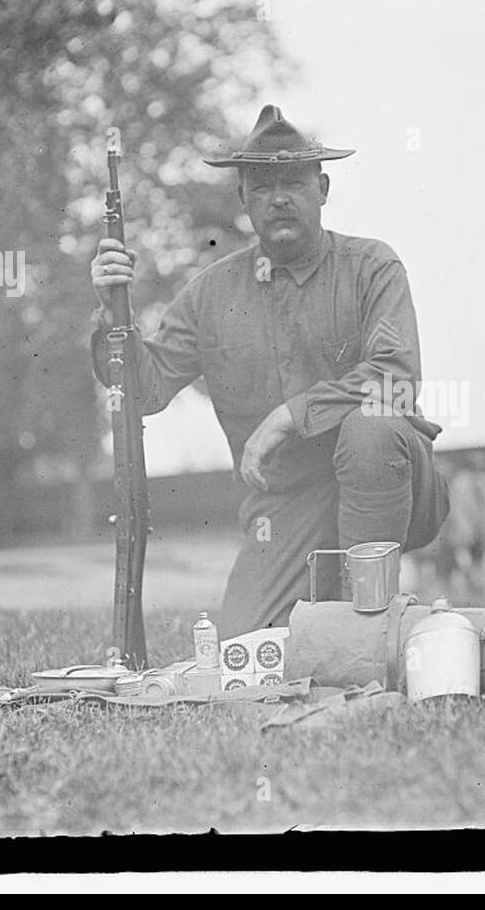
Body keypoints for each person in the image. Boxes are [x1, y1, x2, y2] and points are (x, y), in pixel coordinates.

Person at [89, 105, 449, 633]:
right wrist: (109, 310)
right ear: (243, 200)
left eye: (293, 182)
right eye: (261, 187)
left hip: (390, 482)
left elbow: (395, 378)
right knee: (246, 647)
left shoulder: (373, 267)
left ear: (322, 189)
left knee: (370, 428)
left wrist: (288, 416)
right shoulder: (211, 293)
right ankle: (333, 612)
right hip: (288, 502)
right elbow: (144, 390)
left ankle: (370, 621)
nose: (278, 198)